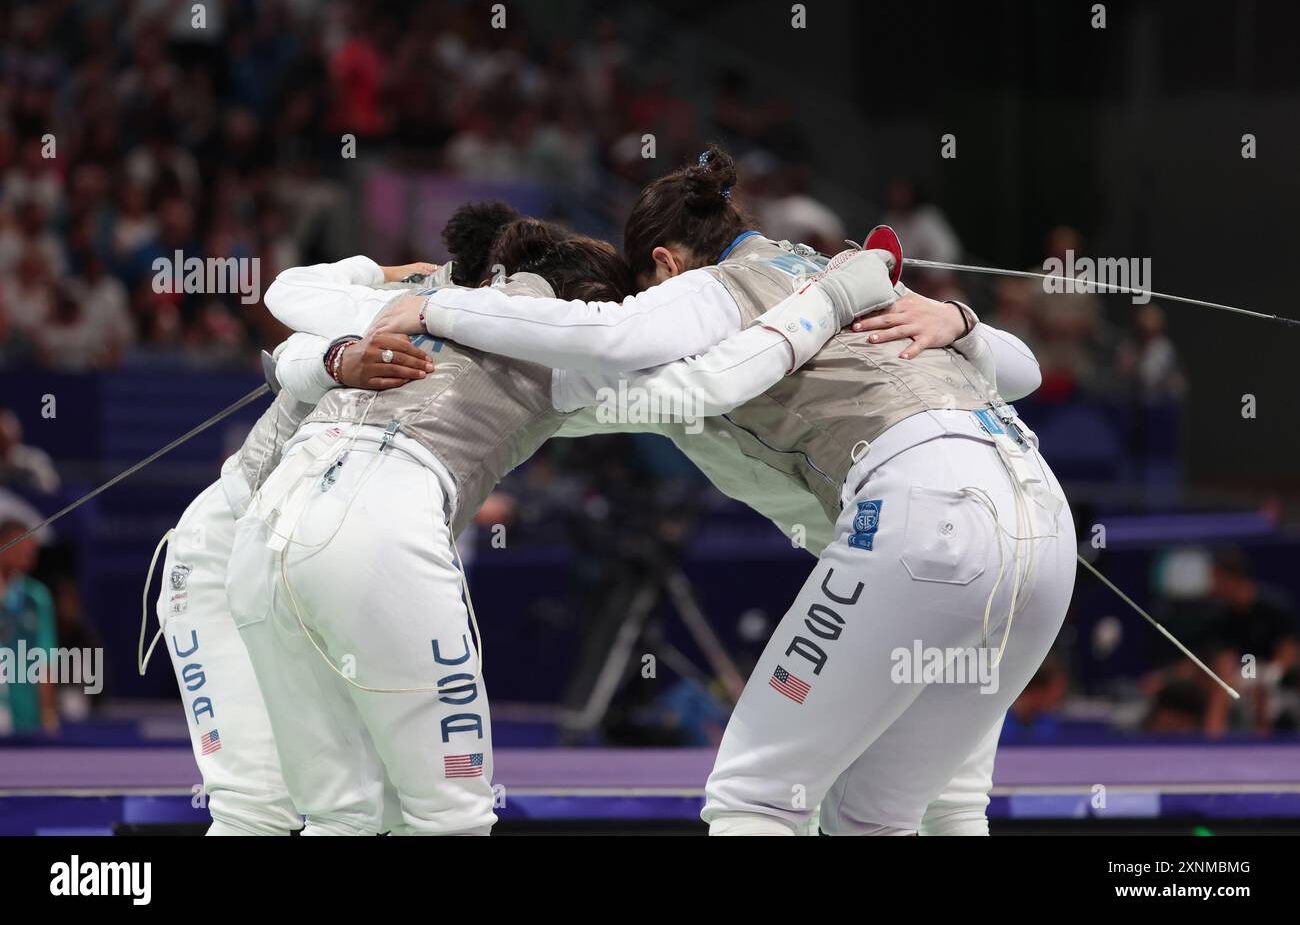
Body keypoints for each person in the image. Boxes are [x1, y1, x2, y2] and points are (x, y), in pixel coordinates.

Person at [377, 146, 1072, 836]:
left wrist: (436, 310)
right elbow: (1024, 372)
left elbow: (608, 337)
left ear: (665, 264)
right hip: (1043, 523)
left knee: (756, 798)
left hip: (926, 522)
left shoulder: (711, 289)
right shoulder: (844, 274)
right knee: (909, 809)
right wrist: (965, 325)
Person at [231, 217, 900, 836]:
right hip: (374, 537)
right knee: (451, 815)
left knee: (340, 814)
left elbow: (292, 298)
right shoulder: (563, 357)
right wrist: (834, 297)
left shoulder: (407, 304)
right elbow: (707, 387)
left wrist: (335, 349)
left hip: (261, 540)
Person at [145, 250, 438, 835]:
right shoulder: (387, 311)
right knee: (255, 805)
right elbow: (288, 350)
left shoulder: (521, 357)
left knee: (385, 807)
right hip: (225, 552)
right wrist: (358, 323)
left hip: (329, 574)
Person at [0, 517, 59, 736]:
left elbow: (45, 659)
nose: (30, 551)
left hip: (23, 714)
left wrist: (48, 713)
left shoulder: (37, 598)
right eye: (21, 544)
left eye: (32, 547)